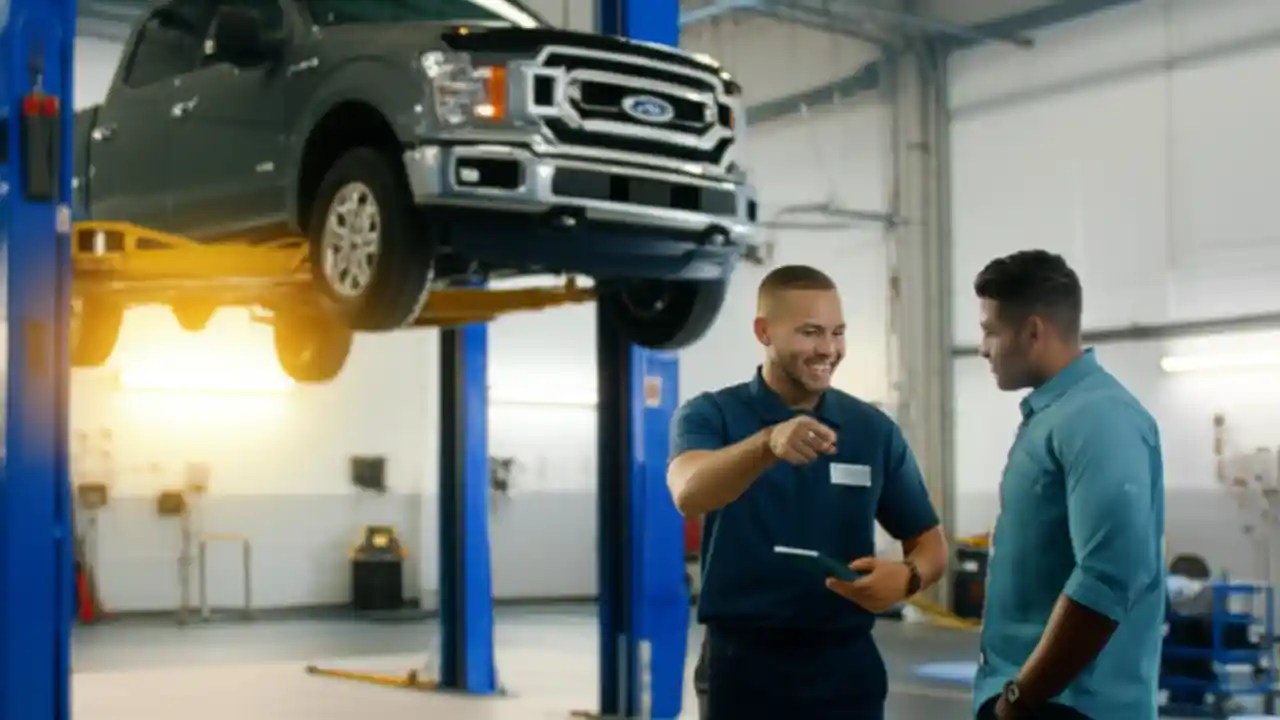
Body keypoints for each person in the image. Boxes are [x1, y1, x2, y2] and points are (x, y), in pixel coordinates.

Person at [667, 264, 949, 720]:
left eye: (838, 333)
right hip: (743, 670)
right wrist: (766, 444)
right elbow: (689, 493)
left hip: (846, 669)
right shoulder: (710, 415)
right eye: (811, 333)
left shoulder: (872, 431)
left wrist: (908, 577)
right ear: (764, 331)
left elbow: (930, 543)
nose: (829, 349)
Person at [969, 250, 1166, 720]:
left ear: (1033, 331)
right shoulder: (1055, 415)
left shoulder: (1098, 417)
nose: (983, 348)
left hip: (1069, 706)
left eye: (990, 331)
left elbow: (1109, 575)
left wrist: (1021, 698)